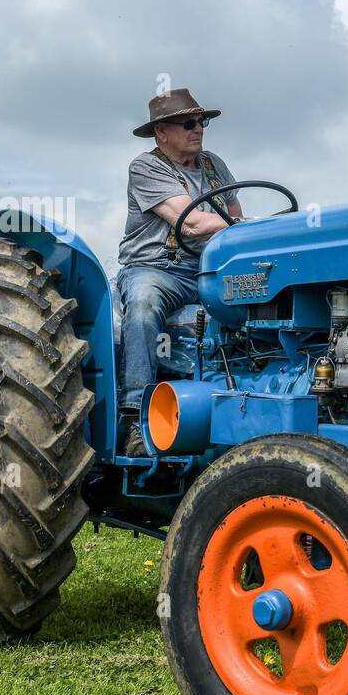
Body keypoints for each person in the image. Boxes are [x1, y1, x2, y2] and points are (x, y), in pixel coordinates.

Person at [118, 88, 243, 456]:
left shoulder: (214, 165)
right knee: (143, 303)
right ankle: (135, 418)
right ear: (161, 132)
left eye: (201, 122)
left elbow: (235, 215)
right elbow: (190, 224)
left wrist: (239, 225)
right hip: (158, 268)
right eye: (188, 123)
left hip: (206, 270)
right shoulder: (146, 167)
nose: (198, 129)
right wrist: (236, 224)